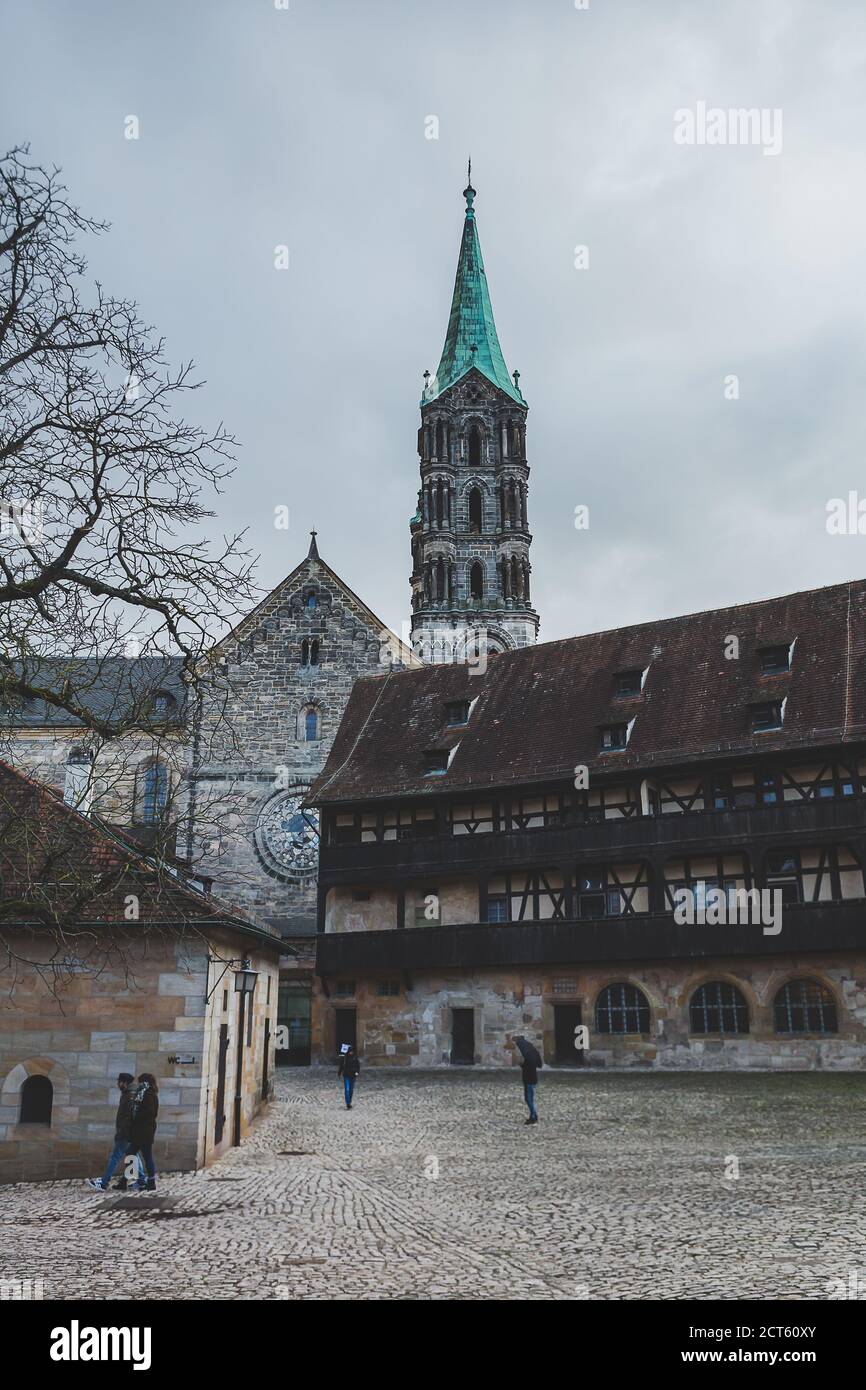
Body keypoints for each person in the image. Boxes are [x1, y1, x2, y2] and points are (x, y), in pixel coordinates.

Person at [87, 1072, 135, 1192]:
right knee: (133, 1157)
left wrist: (121, 1132)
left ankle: (104, 1183)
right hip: (129, 1133)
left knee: (115, 1157)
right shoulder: (128, 1094)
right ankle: (140, 1180)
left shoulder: (129, 1096)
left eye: (119, 1082)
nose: (117, 1084)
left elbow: (128, 1117)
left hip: (125, 1134)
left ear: (124, 1083)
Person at [129, 1073, 160, 1191]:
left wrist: (136, 1116)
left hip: (144, 1131)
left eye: (140, 1082)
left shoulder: (148, 1094)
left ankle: (150, 1181)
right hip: (139, 1131)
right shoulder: (143, 1094)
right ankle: (135, 1179)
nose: (138, 1084)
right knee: (130, 1153)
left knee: (147, 1156)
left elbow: (150, 1113)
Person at [521, 1053, 539, 1125]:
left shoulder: (529, 1060)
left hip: (529, 1081)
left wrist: (523, 1066)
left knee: (529, 1099)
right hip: (530, 1081)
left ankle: (533, 1115)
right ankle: (533, 1115)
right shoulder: (531, 1059)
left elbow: (528, 1069)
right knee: (529, 1099)